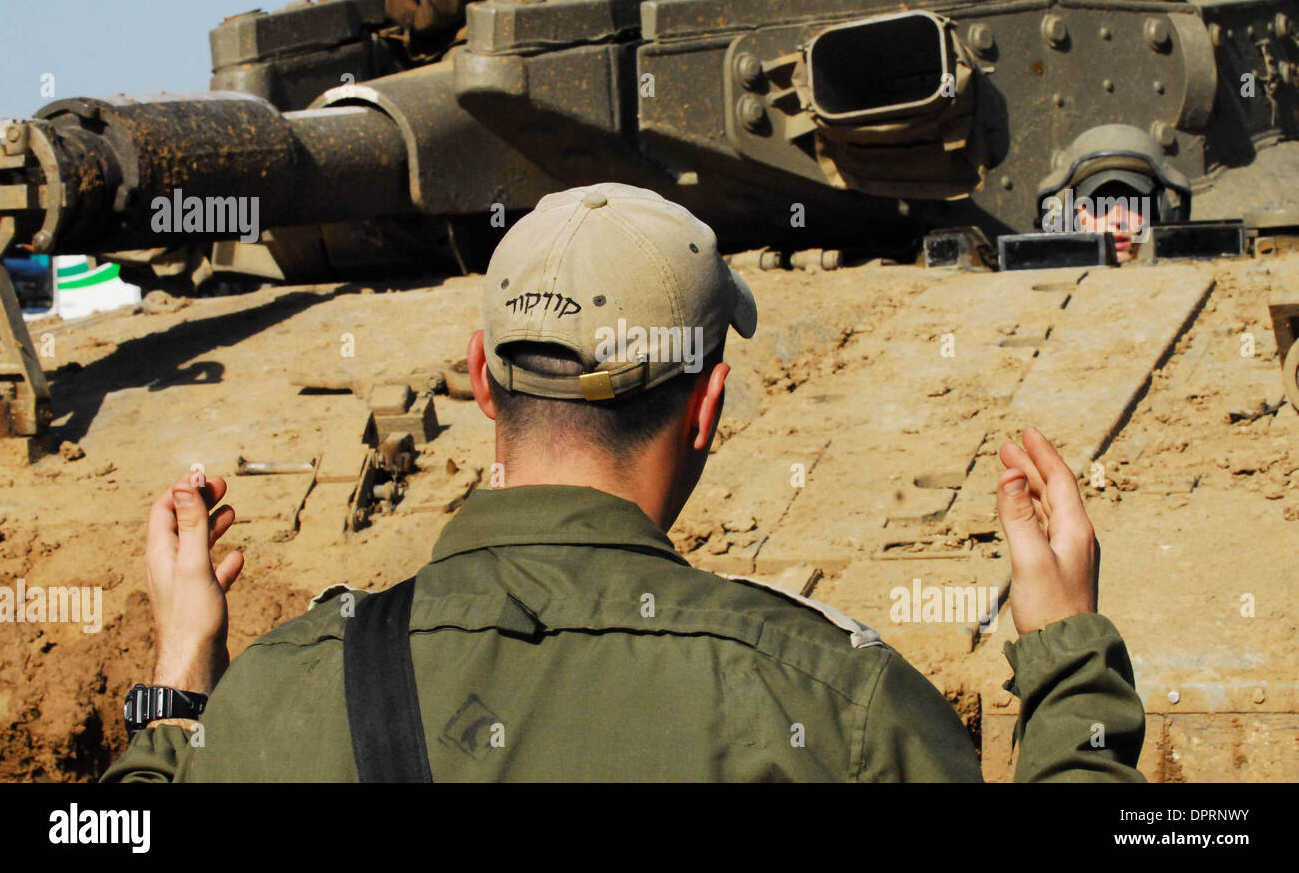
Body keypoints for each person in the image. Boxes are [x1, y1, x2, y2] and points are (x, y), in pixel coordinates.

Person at [103, 183, 1145, 782]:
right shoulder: (834, 704)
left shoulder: (280, 694)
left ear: (478, 378)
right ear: (709, 406)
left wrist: (182, 679)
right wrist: (1067, 666)